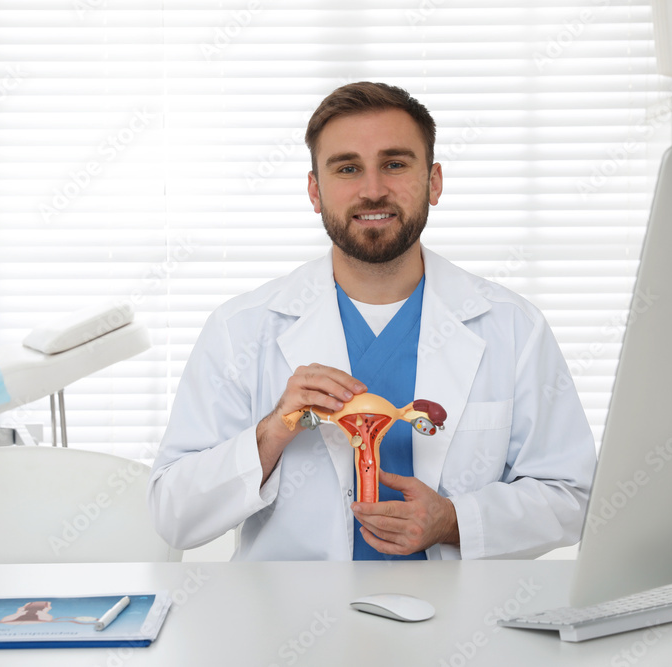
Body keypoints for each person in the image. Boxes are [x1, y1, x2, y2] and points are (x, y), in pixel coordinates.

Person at [148, 82, 596, 560]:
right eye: (347, 169)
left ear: (434, 181)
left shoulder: (513, 328)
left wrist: (455, 521)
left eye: (395, 164)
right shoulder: (240, 329)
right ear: (315, 191)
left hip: (459, 625)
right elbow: (174, 516)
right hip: (292, 626)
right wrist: (272, 432)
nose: (373, 190)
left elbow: (572, 496)